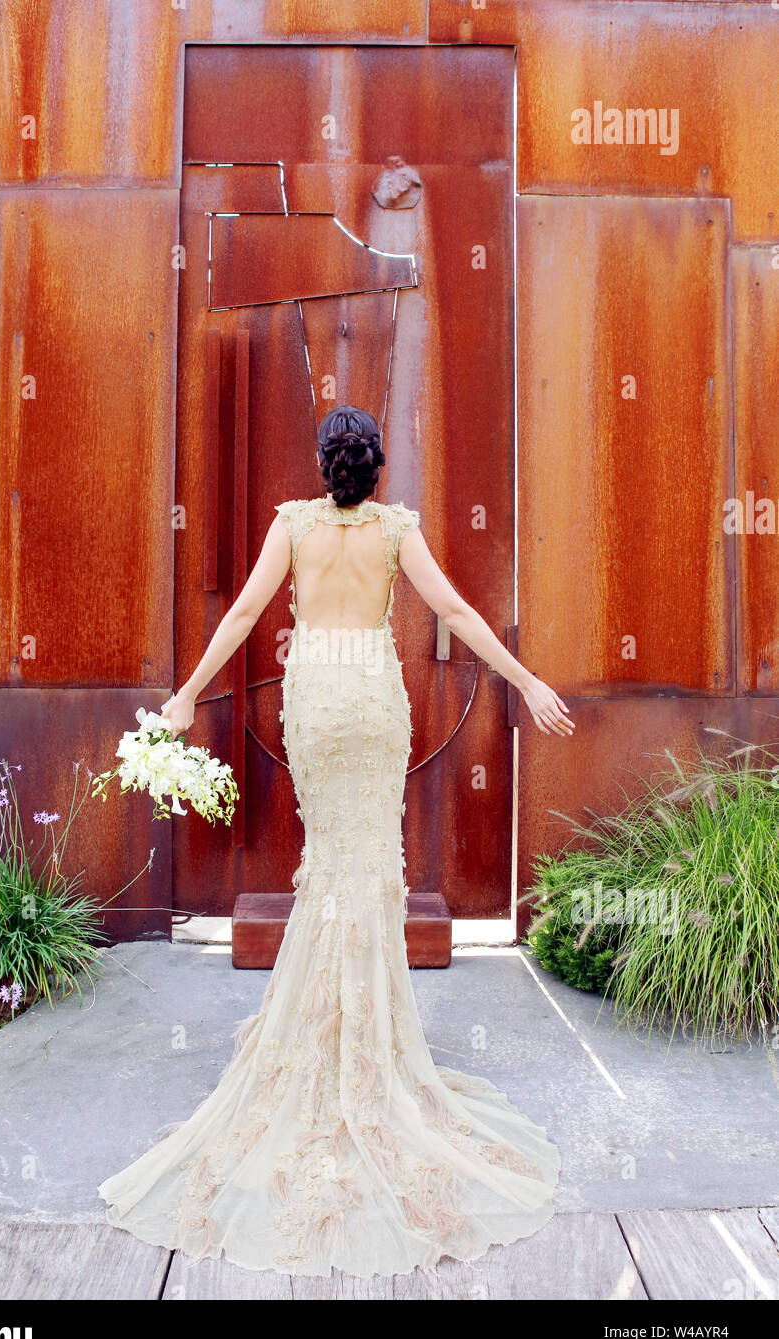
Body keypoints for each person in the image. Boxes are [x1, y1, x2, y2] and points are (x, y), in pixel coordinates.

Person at [98, 405, 573, 1277]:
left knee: (328, 867)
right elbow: (460, 614)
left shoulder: (292, 525)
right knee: (369, 869)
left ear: (324, 464)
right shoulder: (398, 530)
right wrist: (527, 680)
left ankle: (323, 1038)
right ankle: (372, 1046)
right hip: (374, 703)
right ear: (375, 468)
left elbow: (244, 613)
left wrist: (183, 694)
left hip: (319, 698)